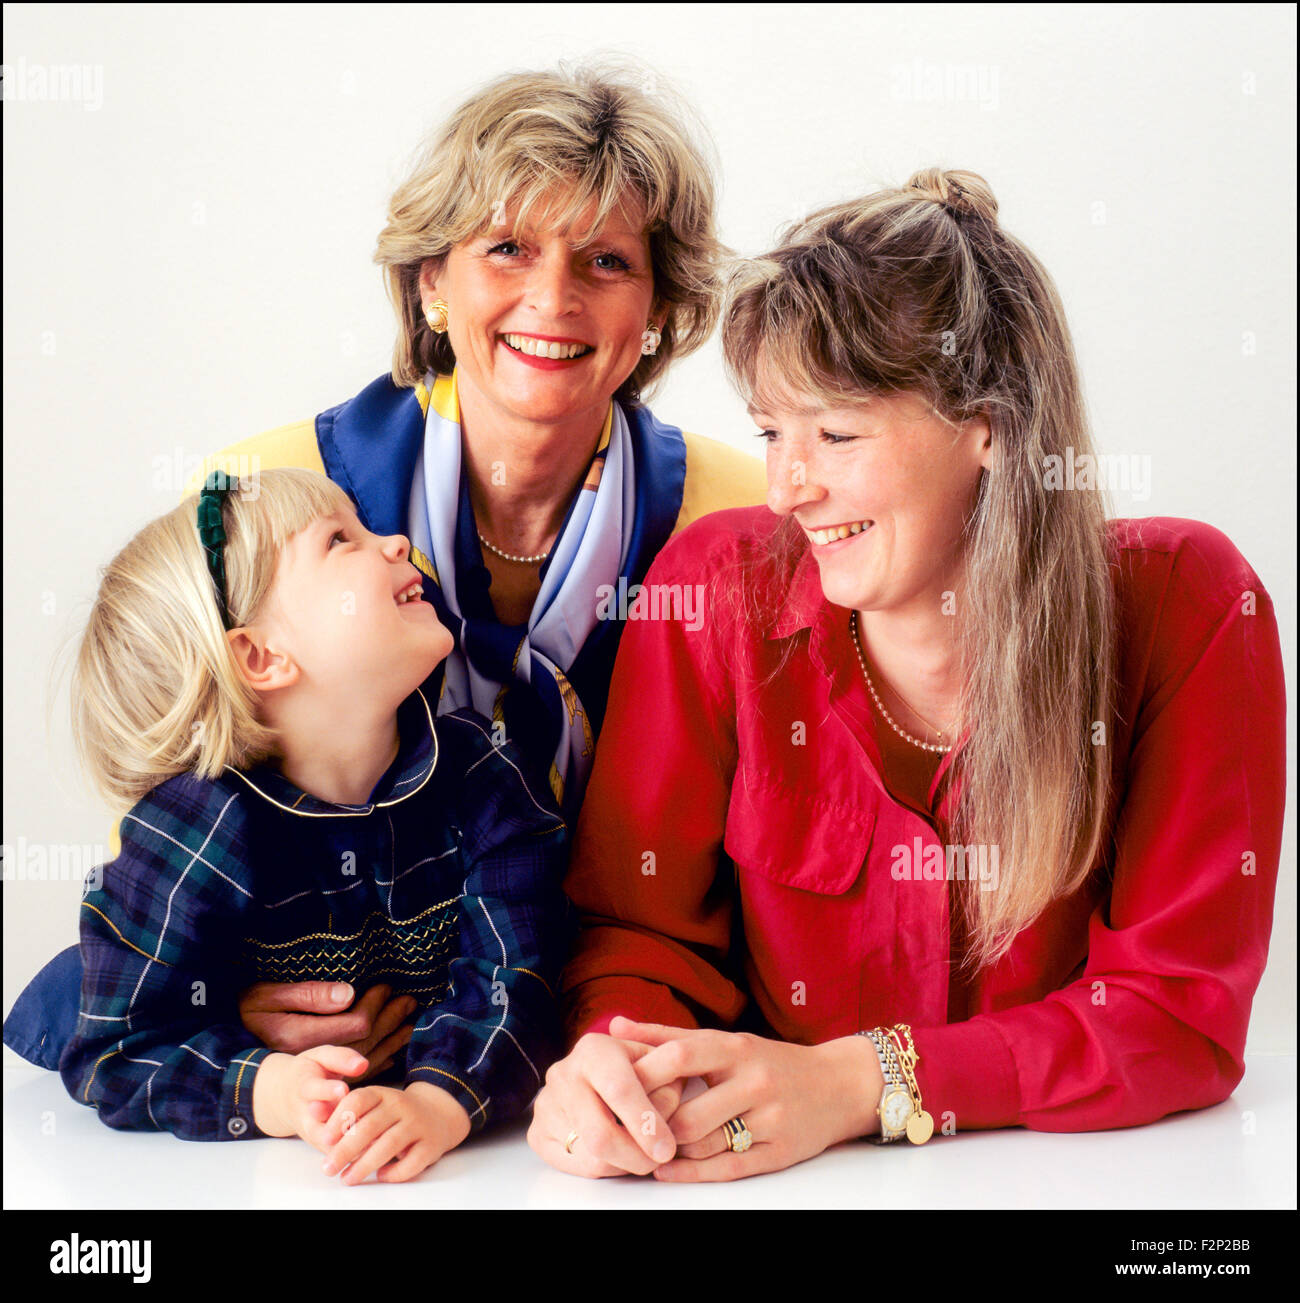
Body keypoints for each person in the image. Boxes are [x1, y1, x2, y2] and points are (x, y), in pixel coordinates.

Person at [4, 61, 764, 1076]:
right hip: (339, 1077)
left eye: (607, 262)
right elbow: (160, 814)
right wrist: (233, 999)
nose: (553, 296)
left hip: (602, 1044)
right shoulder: (267, 490)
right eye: (506, 248)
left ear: (658, 310)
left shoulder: (745, 521)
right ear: (430, 285)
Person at [528, 168, 1288, 1180]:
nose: (787, 485)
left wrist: (863, 1082)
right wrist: (626, 1065)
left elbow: (1177, 1013)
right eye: (770, 432)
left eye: (835, 433)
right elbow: (638, 931)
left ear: (988, 427)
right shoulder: (712, 588)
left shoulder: (1189, 604)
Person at [58, 468, 571, 1186]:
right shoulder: (196, 830)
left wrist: (437, 1100)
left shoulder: (482, 777)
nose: (396, 541)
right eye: (340, 540)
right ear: (260, 656)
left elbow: (523, 975)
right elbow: (116, 1049)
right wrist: (268, 1089)